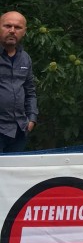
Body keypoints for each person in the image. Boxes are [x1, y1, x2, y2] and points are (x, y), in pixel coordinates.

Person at [0, 11, 37, 154]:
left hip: (19, 131)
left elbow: (30, 91)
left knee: (14, 175)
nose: (12, 31)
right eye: (7, 26)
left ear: (24, 32)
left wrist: (32, 118)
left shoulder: (25, 58)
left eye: (17, 27)